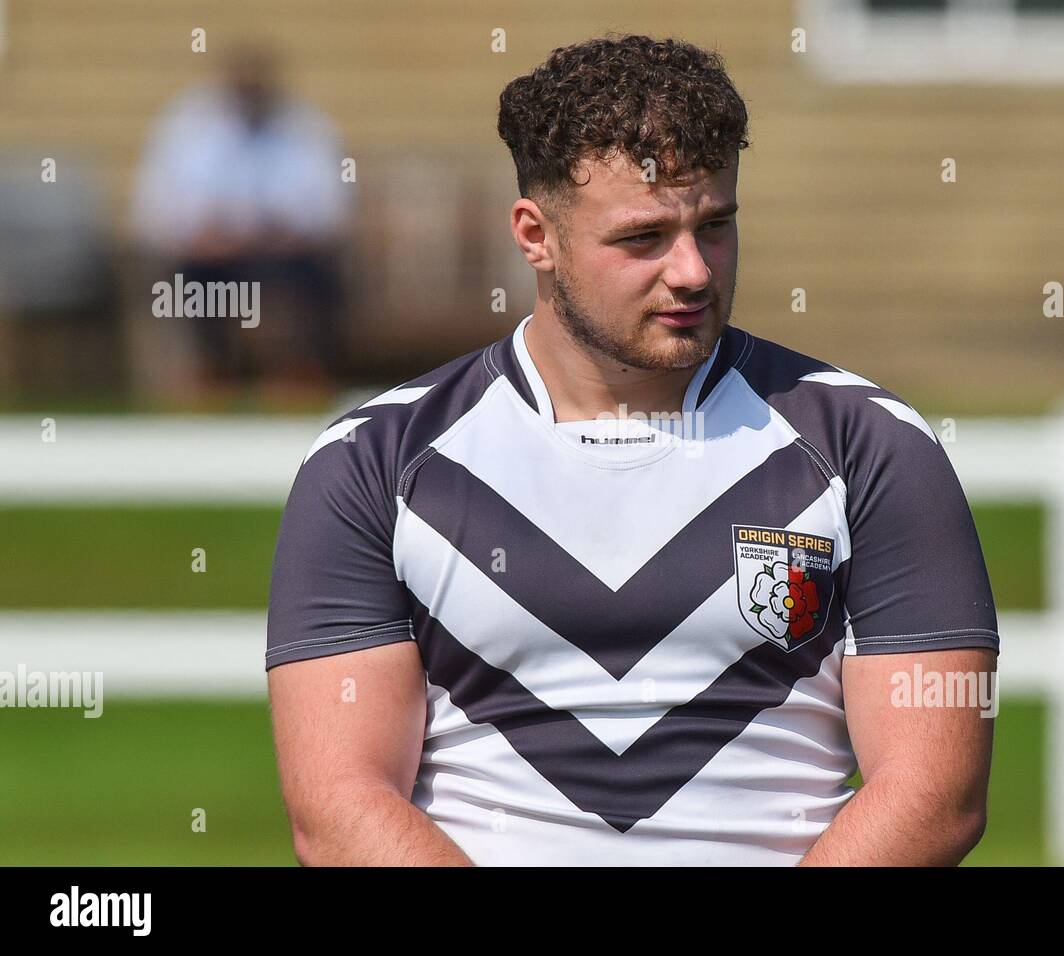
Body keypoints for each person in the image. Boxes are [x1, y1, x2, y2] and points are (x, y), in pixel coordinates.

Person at [266, 34, 999, 866]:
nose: (692, 270)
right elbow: (339, 805)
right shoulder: (375, 461)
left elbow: (935, 797)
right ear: (535, 236)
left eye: (714, 227)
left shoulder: (870, 446)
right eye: (644, 238)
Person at [131, 44, 348, 398]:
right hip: (214, 257)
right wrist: (205, 236)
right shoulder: (187, 127)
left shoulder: (306, 127)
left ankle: (302, 373)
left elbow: (328, 210)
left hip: (284, 255)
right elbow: (159, 209)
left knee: (317, 276)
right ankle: (212, 372)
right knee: (195, 277)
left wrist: (284, 234)